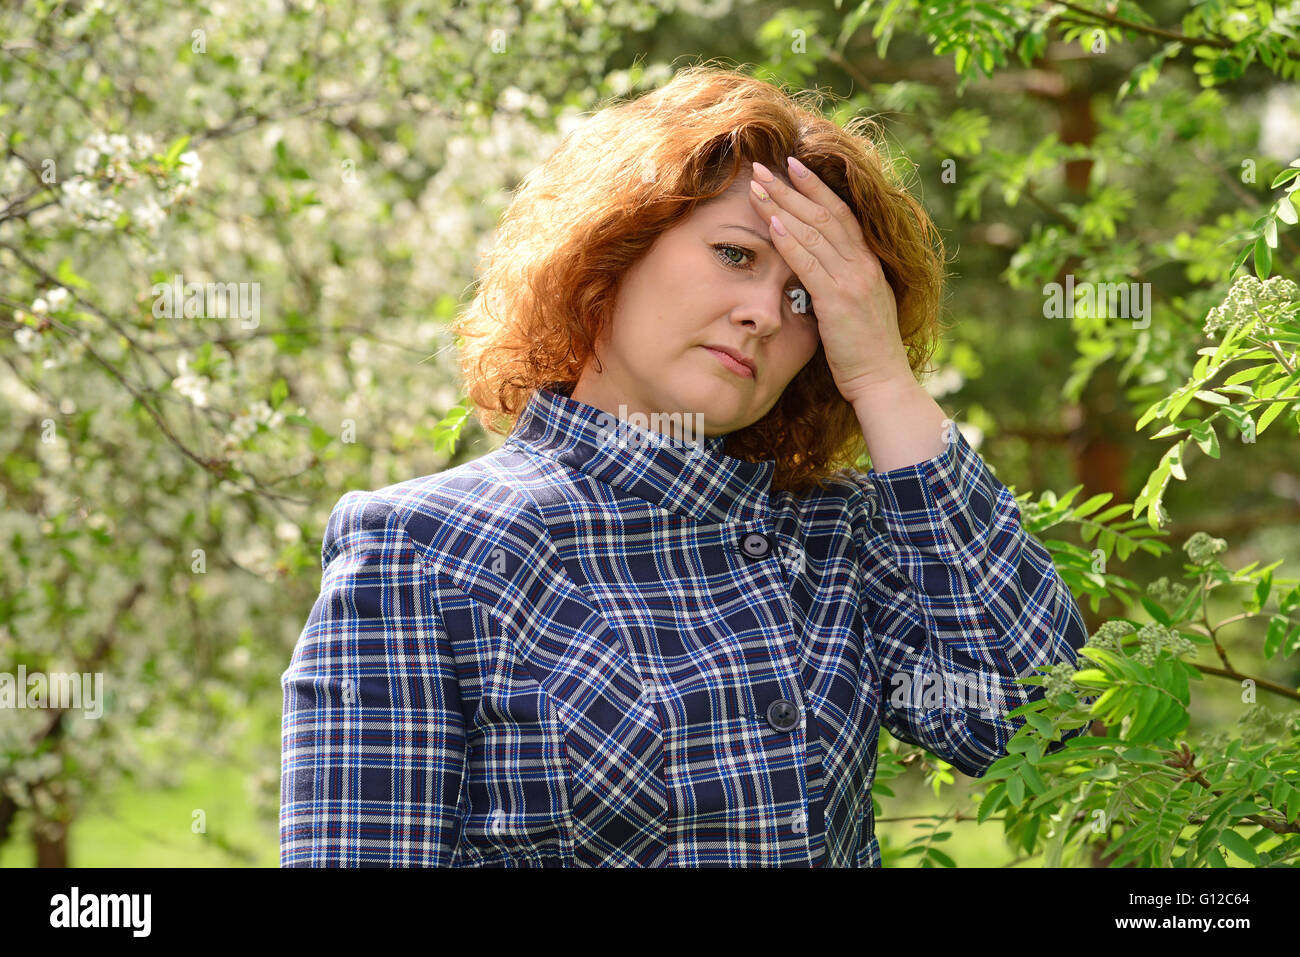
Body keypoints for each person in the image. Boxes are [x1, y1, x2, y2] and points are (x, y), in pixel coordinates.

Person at [279, 62, 1091, 867]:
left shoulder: (840, 535)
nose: (765, 313)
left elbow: (1044, 726)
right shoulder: (422, 552)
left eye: (808, 294)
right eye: (736, 255)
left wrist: (883, 377)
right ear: (614, 248)